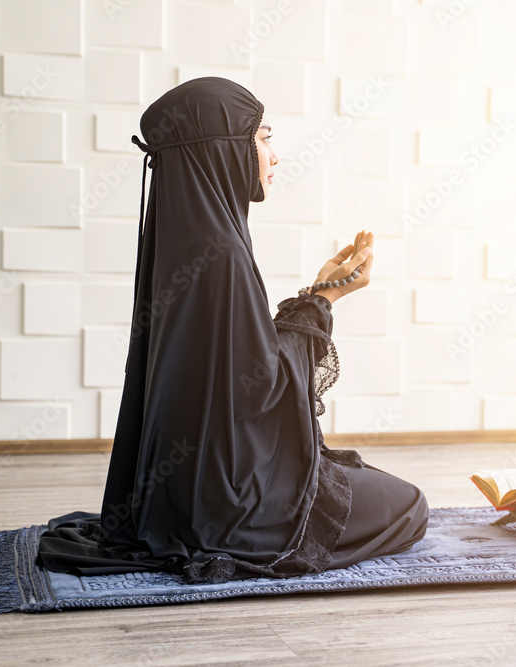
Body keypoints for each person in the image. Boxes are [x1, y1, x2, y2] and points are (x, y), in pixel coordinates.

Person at [35, 77, 428, 583]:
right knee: (410, 504)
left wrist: (313, 296)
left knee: (362, 482)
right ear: (223, 148)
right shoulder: (222, 252)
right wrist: (323, 302)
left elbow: (234, 367)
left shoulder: (180, 237)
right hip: (230, 500)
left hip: (178, 487)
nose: (274, 156)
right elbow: (259, 386)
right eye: (263, 138)